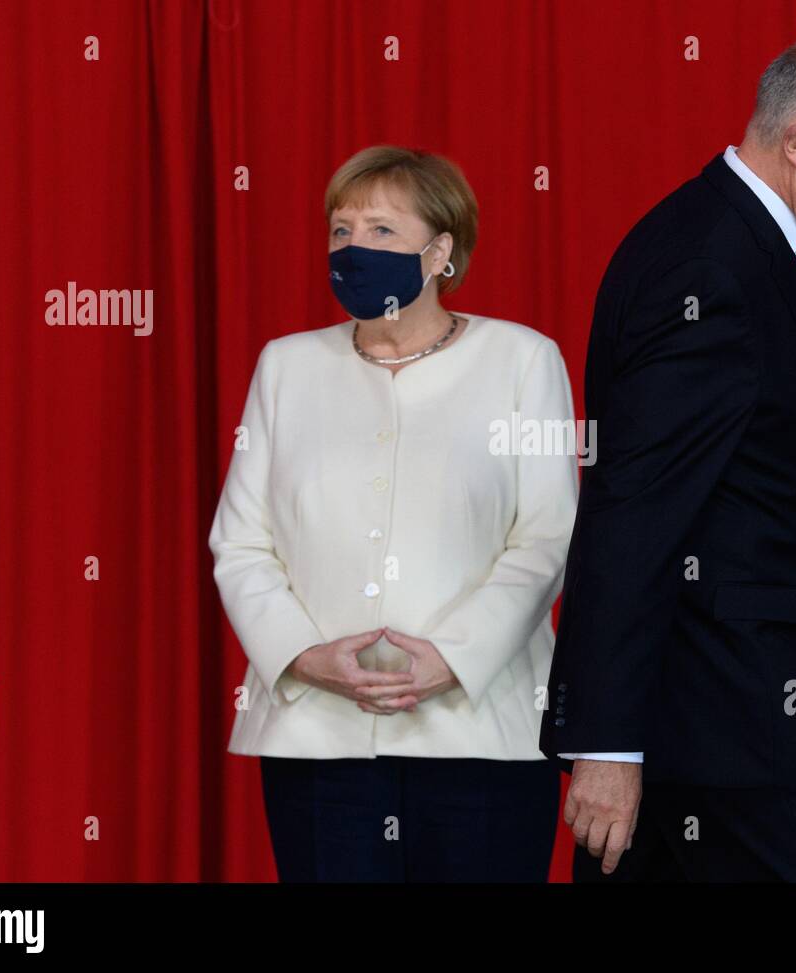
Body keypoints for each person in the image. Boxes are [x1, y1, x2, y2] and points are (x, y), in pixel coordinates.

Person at [540, 29, 796, 882]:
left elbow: (758, 484)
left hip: (713, 726)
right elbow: (634, 507)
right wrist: (608, 743)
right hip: (725, 723)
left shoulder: (740, 241)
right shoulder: (709, 267)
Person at [209, 145, 578, 882]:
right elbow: (241, 542)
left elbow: (545, 536)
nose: (353, 248)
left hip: (482, 737)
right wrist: (305, 657)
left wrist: (452, 659)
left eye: (381, 230)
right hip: (317, 738)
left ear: (440, 250)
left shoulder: (522, 360)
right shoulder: (286, 366)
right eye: (341, 230)